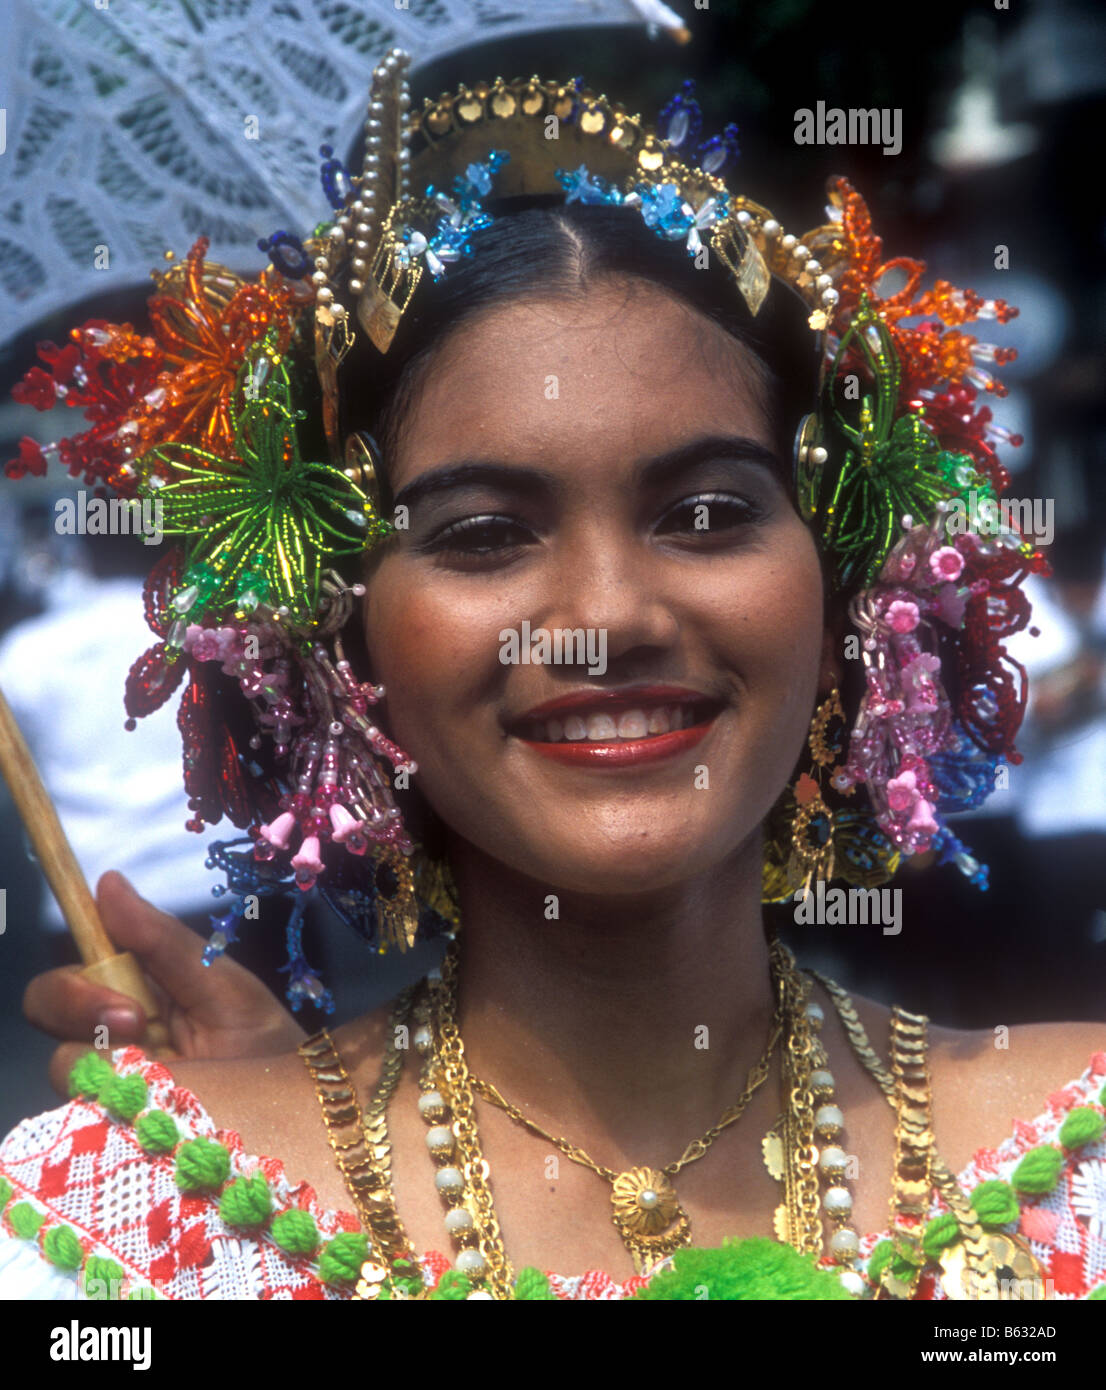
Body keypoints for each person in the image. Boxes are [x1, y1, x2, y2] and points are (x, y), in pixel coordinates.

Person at [1, 57, 1103, 1302]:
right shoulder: (130, 1232)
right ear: (337, 635)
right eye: (480, 533)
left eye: (702, 511)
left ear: (849, 585)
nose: (604, 619)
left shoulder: (1074, 1162)